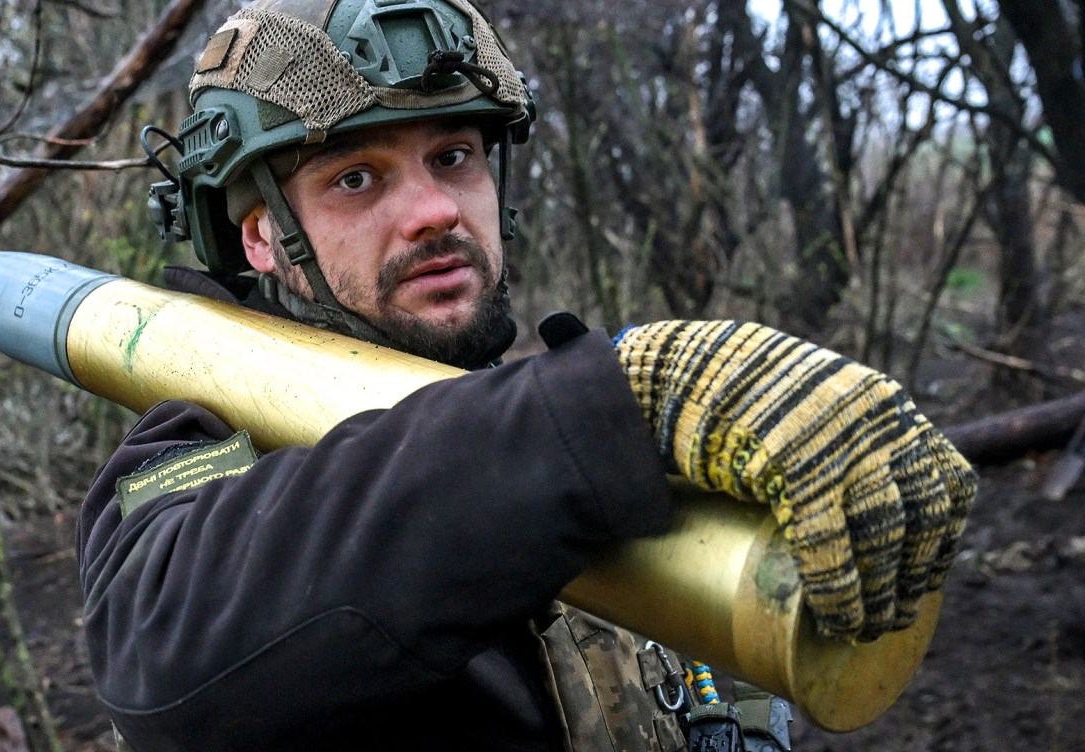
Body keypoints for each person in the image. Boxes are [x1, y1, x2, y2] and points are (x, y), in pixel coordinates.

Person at [77, 0, 976, 749]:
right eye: (355, 178)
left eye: (453, 157)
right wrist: (615, 406)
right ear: (263, 237)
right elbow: (167, 662)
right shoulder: (202, 445)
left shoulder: (525, 414)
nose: (433, 212)